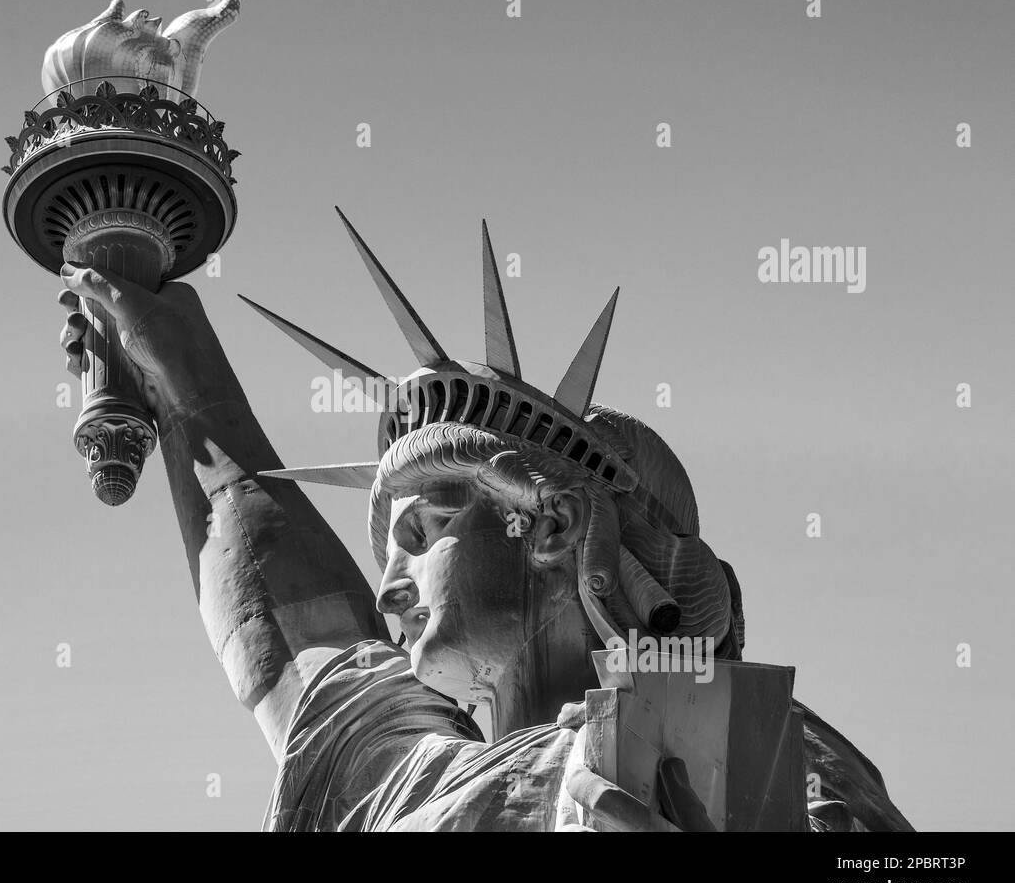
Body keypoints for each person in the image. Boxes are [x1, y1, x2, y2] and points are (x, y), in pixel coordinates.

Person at [54, 215, 913, 832]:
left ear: (551, 528)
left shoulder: (768, 753)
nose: (389, 591)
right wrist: (175, 378)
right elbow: (285, 633)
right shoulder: (401, 778)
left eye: (423, 535)